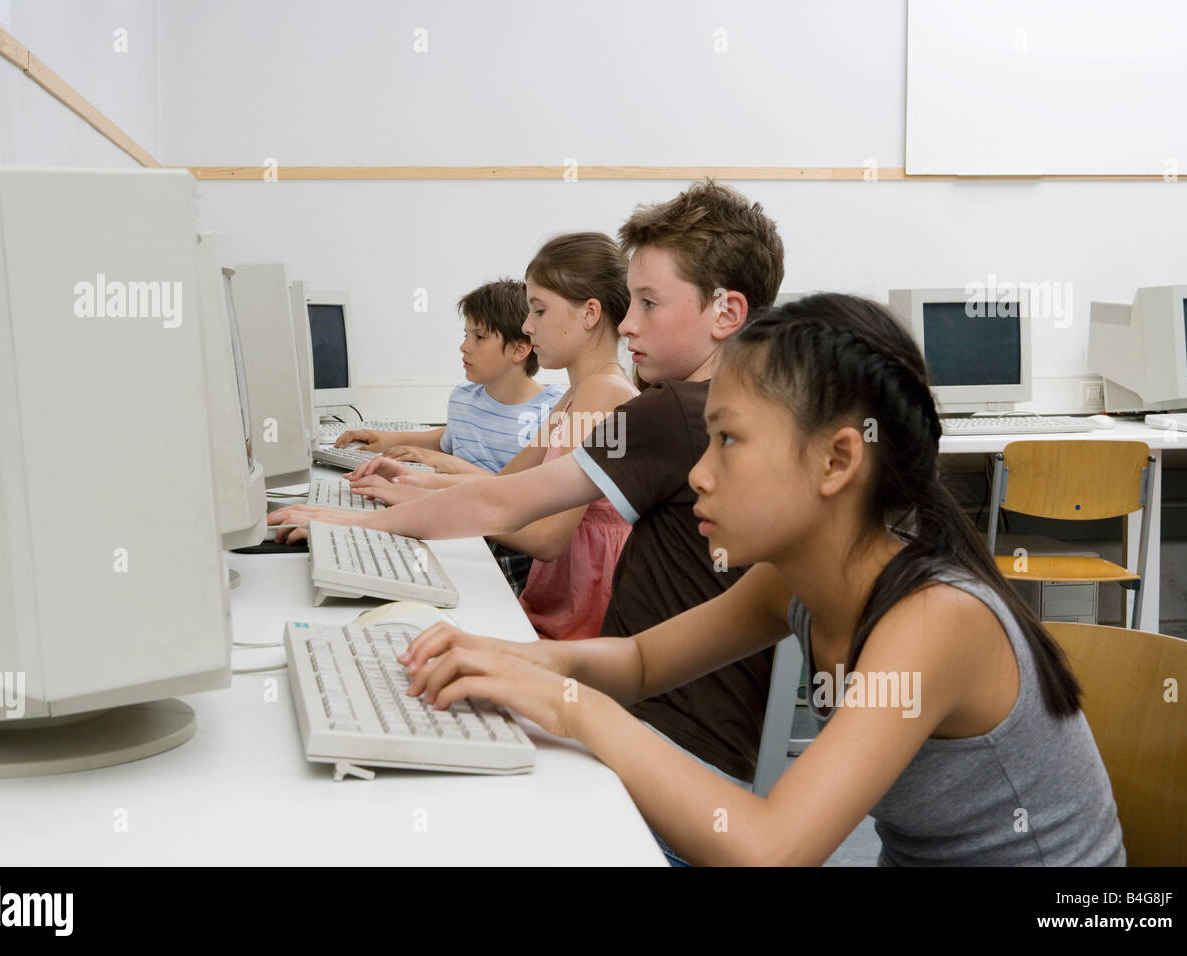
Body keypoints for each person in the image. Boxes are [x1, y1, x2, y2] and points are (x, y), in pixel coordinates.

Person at [395, 293, 1128, 867]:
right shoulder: (799, 581)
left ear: (838, 461)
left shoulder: (936, 619)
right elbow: (645, 662)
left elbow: (773, 848)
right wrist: (499, 658)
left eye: (729, 441)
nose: (699, 474)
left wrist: (568, 705)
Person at [272, 179, 786, 784]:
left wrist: (347, 522)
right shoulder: (749, 407)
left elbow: (502, 505)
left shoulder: (671, 411)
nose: (628, 327)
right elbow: (499, 491)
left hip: (661, 746)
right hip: (683, 735)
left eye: (649, 304)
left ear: (726, 312)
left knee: (412, 724)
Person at [333, 279, 566, 593]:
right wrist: (388, 439)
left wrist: (444, 464)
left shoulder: (551, 413)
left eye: (479, 337)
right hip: (458, 519)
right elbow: (449, 436)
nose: (464, 346)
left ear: (520, 349)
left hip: (509, 541)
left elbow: (517, 499)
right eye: (465, 334)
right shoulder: (463, 399)